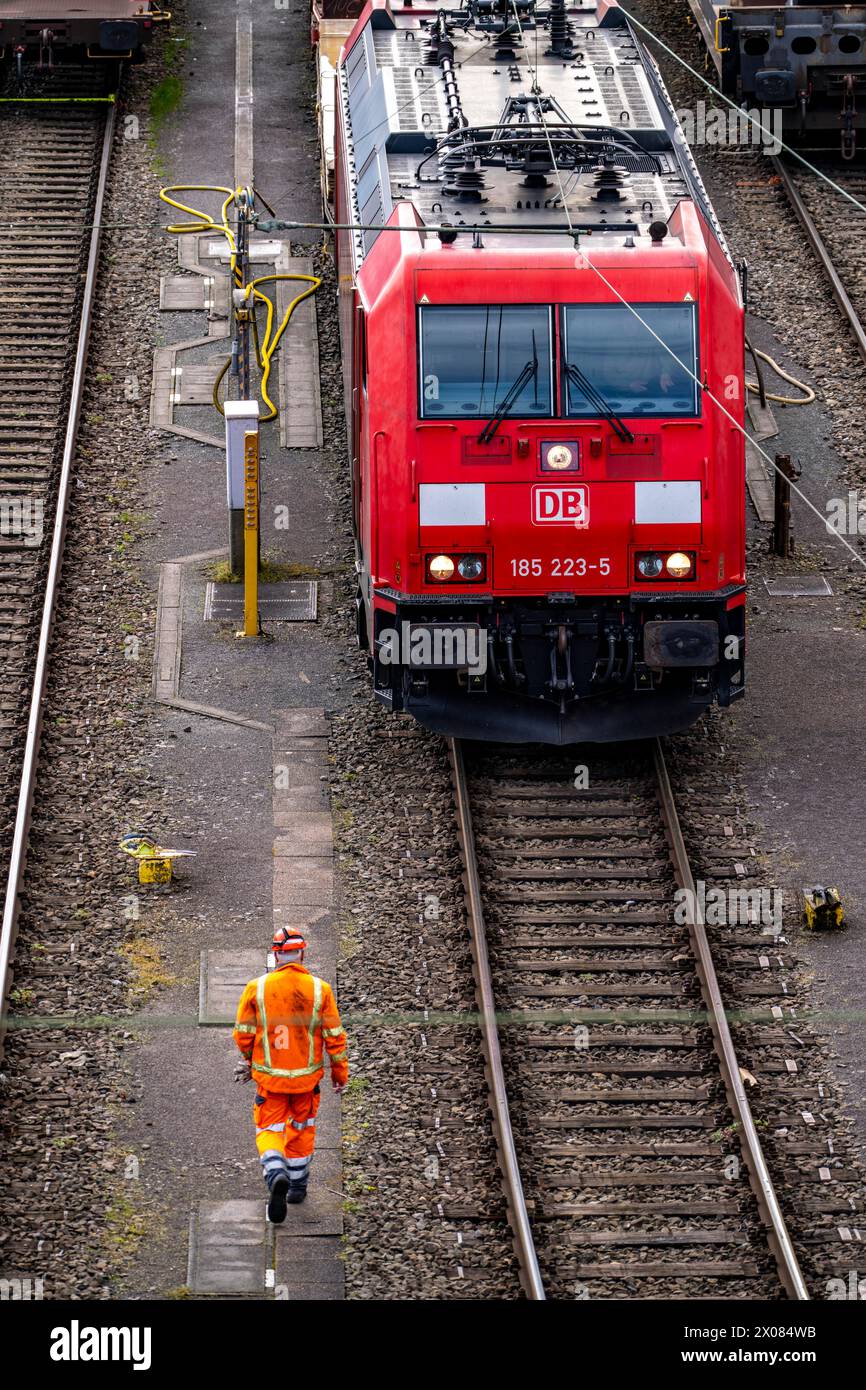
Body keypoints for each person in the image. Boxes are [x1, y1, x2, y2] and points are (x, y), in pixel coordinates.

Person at [233, 927, 349, 1223]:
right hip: (305, 1083)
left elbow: (243, 1034)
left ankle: (275, 1174)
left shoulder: (256, 988)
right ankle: (297, 1187)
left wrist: (248, 1062)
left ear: (275, 954)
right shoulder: (320, 990)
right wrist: (339, 1073)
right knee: (301, 1127)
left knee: (269, 1130)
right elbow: (335, 1036)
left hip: (269, 1082)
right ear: (303, 954)